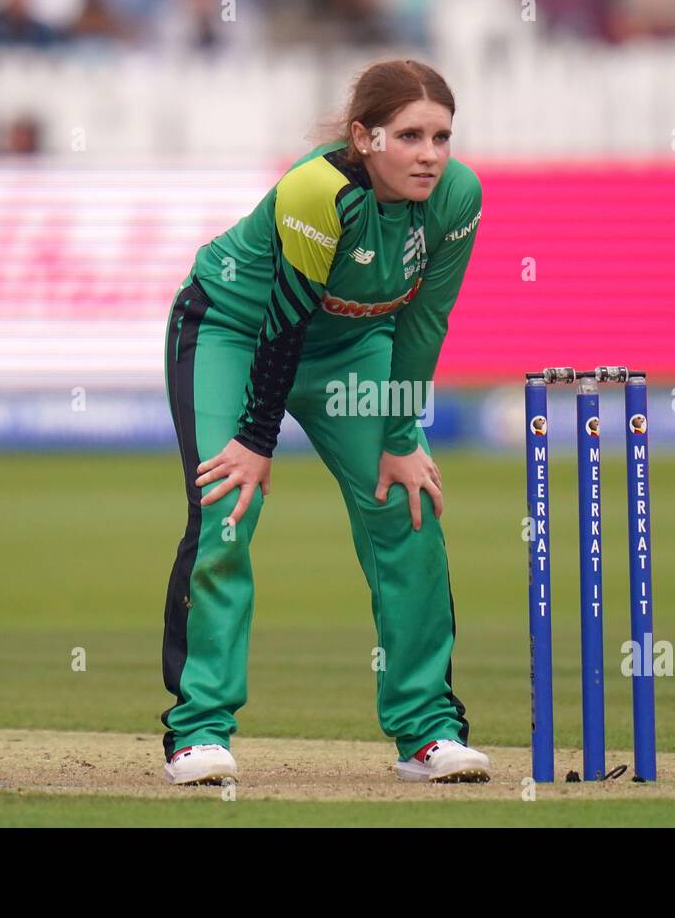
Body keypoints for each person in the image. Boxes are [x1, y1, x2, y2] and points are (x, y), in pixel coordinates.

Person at [161, 59, 489, 785]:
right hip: (235, 332)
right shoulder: (317, 189)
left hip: (355, 346)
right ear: (364, 137)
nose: (430, 153)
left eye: (441, 135)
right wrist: (254, 441)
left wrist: (401, 439)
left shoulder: (458, 195)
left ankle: (427, 730)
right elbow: (283, 325)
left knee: (409, 508)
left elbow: (426, 323)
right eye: (409, 136)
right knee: (225, 508)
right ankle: (199, 730)